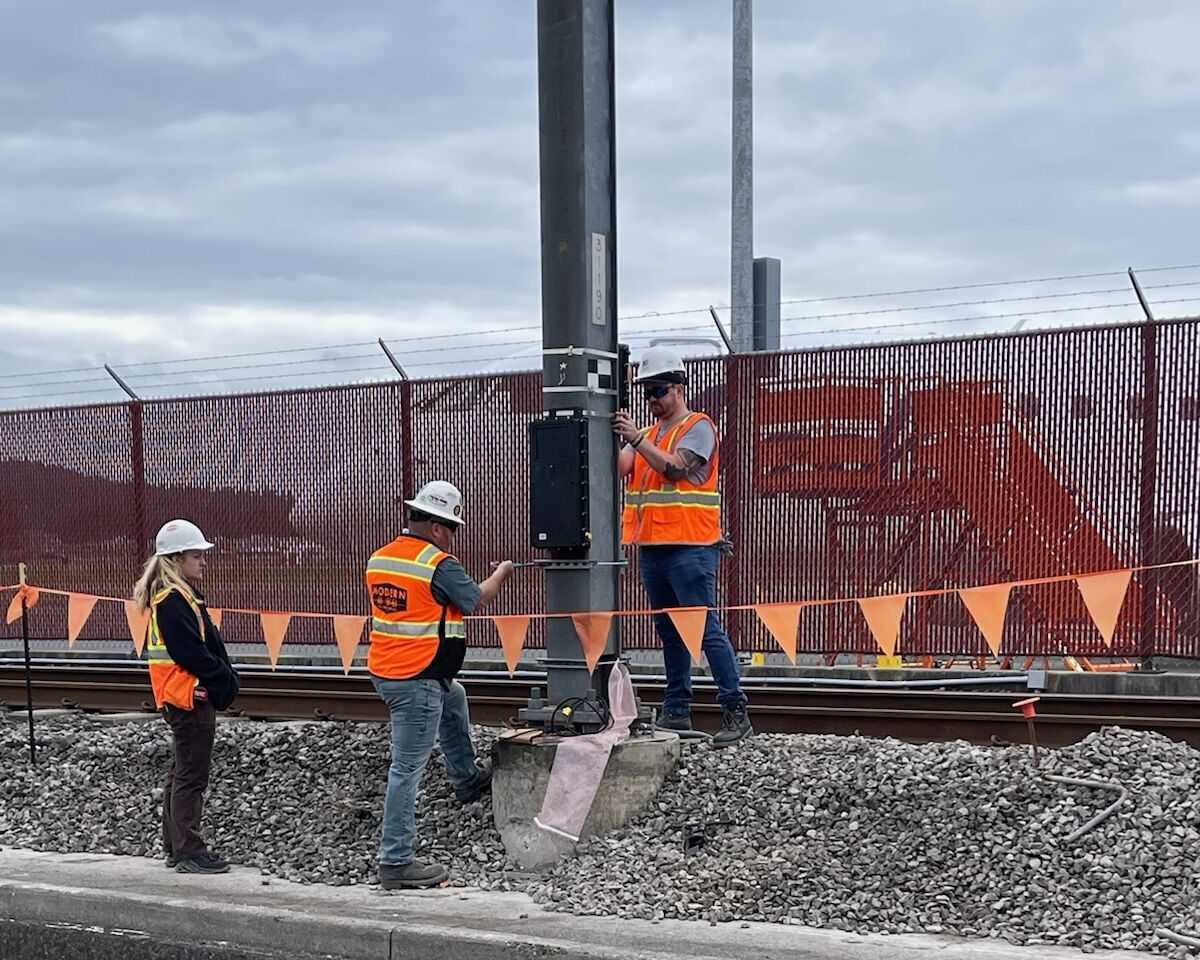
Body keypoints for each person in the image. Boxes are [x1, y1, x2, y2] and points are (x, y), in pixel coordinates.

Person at [366, 480, 514, 889]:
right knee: (406, 768)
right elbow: (474, 600)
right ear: (435, 527)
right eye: (451, 528)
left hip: (388, 670)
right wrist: (500, 574)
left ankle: (466, 778)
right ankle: (395, 860)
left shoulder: (380, 559)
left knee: (456, 698)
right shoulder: (438, 563)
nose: (452, 537)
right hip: (418, 677)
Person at [612, 346, 752, 747]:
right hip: (654, 547)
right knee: (670, 632)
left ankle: (735, 710)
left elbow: (675, 468)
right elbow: (621, 467)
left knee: (704, 629)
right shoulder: (652, 435)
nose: (651, 399)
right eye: (646, 393)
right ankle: (677, 708)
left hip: (691, 546)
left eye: (657, 391)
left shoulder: (699, 426)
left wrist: (636, 438)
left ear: (678, 388)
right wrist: (613, 435)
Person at [134, 519, 240, 875]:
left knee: (181, 772)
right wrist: (223, 678)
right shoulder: (174, 601)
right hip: (189, 697)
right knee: (191, 776)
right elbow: (191, 652)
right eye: (197, 556)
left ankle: (175, 845)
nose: (203, 562)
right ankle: (188, 850)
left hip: (181, 696)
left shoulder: (172, 597)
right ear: (176, 559)